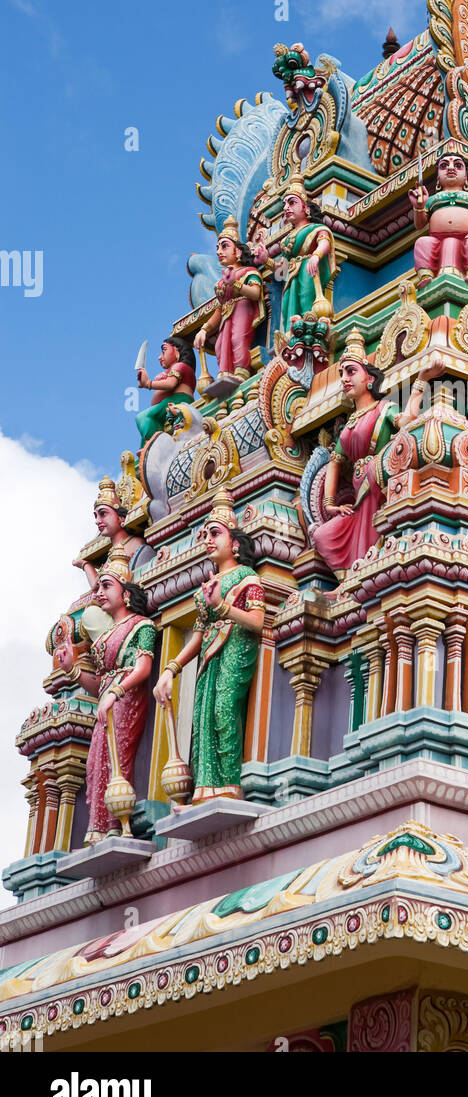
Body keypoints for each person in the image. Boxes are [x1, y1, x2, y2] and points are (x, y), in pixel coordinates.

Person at [153, 490, 265, 803]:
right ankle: (205, 787)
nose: (208, 540)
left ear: (236, 543)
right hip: (210, 657)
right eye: (204, 534)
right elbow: (199, 634)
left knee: (223, 711)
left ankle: (228, 783)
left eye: (215, 533)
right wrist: (170, 670)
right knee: (201, 717)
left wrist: (223, 607)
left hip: (236, 650)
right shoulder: (205, 590)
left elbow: (257, 622)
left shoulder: (247, 578)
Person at [314, 332, 444, 578]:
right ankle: (351, 582)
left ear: (369, 378)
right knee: (322, 536)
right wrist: (329, 504)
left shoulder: (384, 409)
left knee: (376, 531)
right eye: (342, 373)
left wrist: (421, 381)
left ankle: (368, 575)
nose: (344, 379)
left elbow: (407, 423)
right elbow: (335, 462)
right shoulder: (348, 423)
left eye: (351, 372)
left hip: (379, 485)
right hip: (358, 498)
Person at [59, 547, 156, 843]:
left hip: (126, 698)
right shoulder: (103, 639)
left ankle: (116, 823)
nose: (99, 592)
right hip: (108, 699)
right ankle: (98, 828)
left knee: (118, 759)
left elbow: (142, 668)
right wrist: (73, 670)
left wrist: (116, 691)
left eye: (106, 586)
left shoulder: (142, 626)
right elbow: (98, 682)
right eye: (98, 586)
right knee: (95, 764)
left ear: (126, 593)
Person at [408, 153, 468, 289]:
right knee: (422, 242)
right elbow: (420, 225)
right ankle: (425, 274)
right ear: (438, 177)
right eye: (444, 166)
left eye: (458, 165)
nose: (450, 168)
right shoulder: (432, 199)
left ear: (466, 177)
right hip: (436, 239)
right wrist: (419, 207)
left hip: (467, 238)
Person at [193, 217, 265, 380]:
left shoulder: (248, 272)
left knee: (238, 338)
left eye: (224, 246)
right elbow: (220, 308)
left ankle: (241, 371)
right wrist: (205, 329)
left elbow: (255, 293)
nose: (219, 251)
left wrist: (236, 284)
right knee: (220, 344)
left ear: (238, 251)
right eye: (218, 247)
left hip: (243, 309)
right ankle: (226, 373)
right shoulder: (220, 282)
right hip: (227, 314)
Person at [261, 181, 337, 330]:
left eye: (292, 202)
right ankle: (294, 331)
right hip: (291, 276)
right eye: (284, 205)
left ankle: (310, 327)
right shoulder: (287, 240)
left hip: (308, 270)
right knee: (290, 308)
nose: (286, 208)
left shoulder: (315, 228)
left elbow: (324, 242)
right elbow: (281, 271)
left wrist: (316, 255)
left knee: (306, 300)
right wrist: (265, 261)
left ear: (306, 208)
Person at [135, 337, 196, 447]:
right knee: (146, 423)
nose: (159, 357)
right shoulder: (173, 369)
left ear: (177, 351)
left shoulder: (180, 366)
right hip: (166, 405)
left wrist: (148, 383)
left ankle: (153, 446)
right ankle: (145, 448)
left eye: (164, 351)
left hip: (178, 400)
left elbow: (171, 383)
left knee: (144, 417)